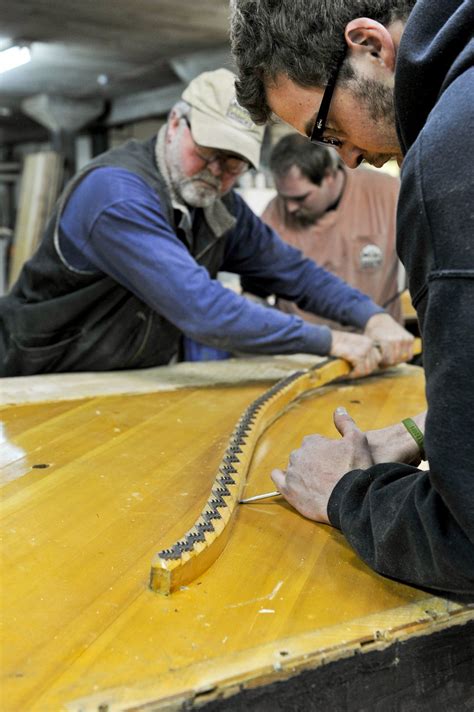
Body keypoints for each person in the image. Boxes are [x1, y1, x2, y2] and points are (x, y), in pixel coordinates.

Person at [230, 0, 474, 594]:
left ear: (369, 46)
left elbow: (466, 539)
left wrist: (346, 493)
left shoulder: (449, 159)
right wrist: (422, 430)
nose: (347, 157)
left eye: (330, 130)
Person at [0, 68, 412, 378]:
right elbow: (203, 308)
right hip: (41, 379)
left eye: (234, 164)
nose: (217, 173)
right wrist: (331, 340)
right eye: (208, 152)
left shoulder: (218, 204)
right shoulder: (116, 195)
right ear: (174, 125)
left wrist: (369, 316)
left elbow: (292, 271)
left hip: (121, 378)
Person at [256, 134, 403, 327]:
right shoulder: (273, 215)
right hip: (305, 343)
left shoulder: (388, 194)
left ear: (328, 176)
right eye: (284, 197)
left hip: (378, 338)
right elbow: (256, 291)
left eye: (300, 198)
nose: (290, 208)